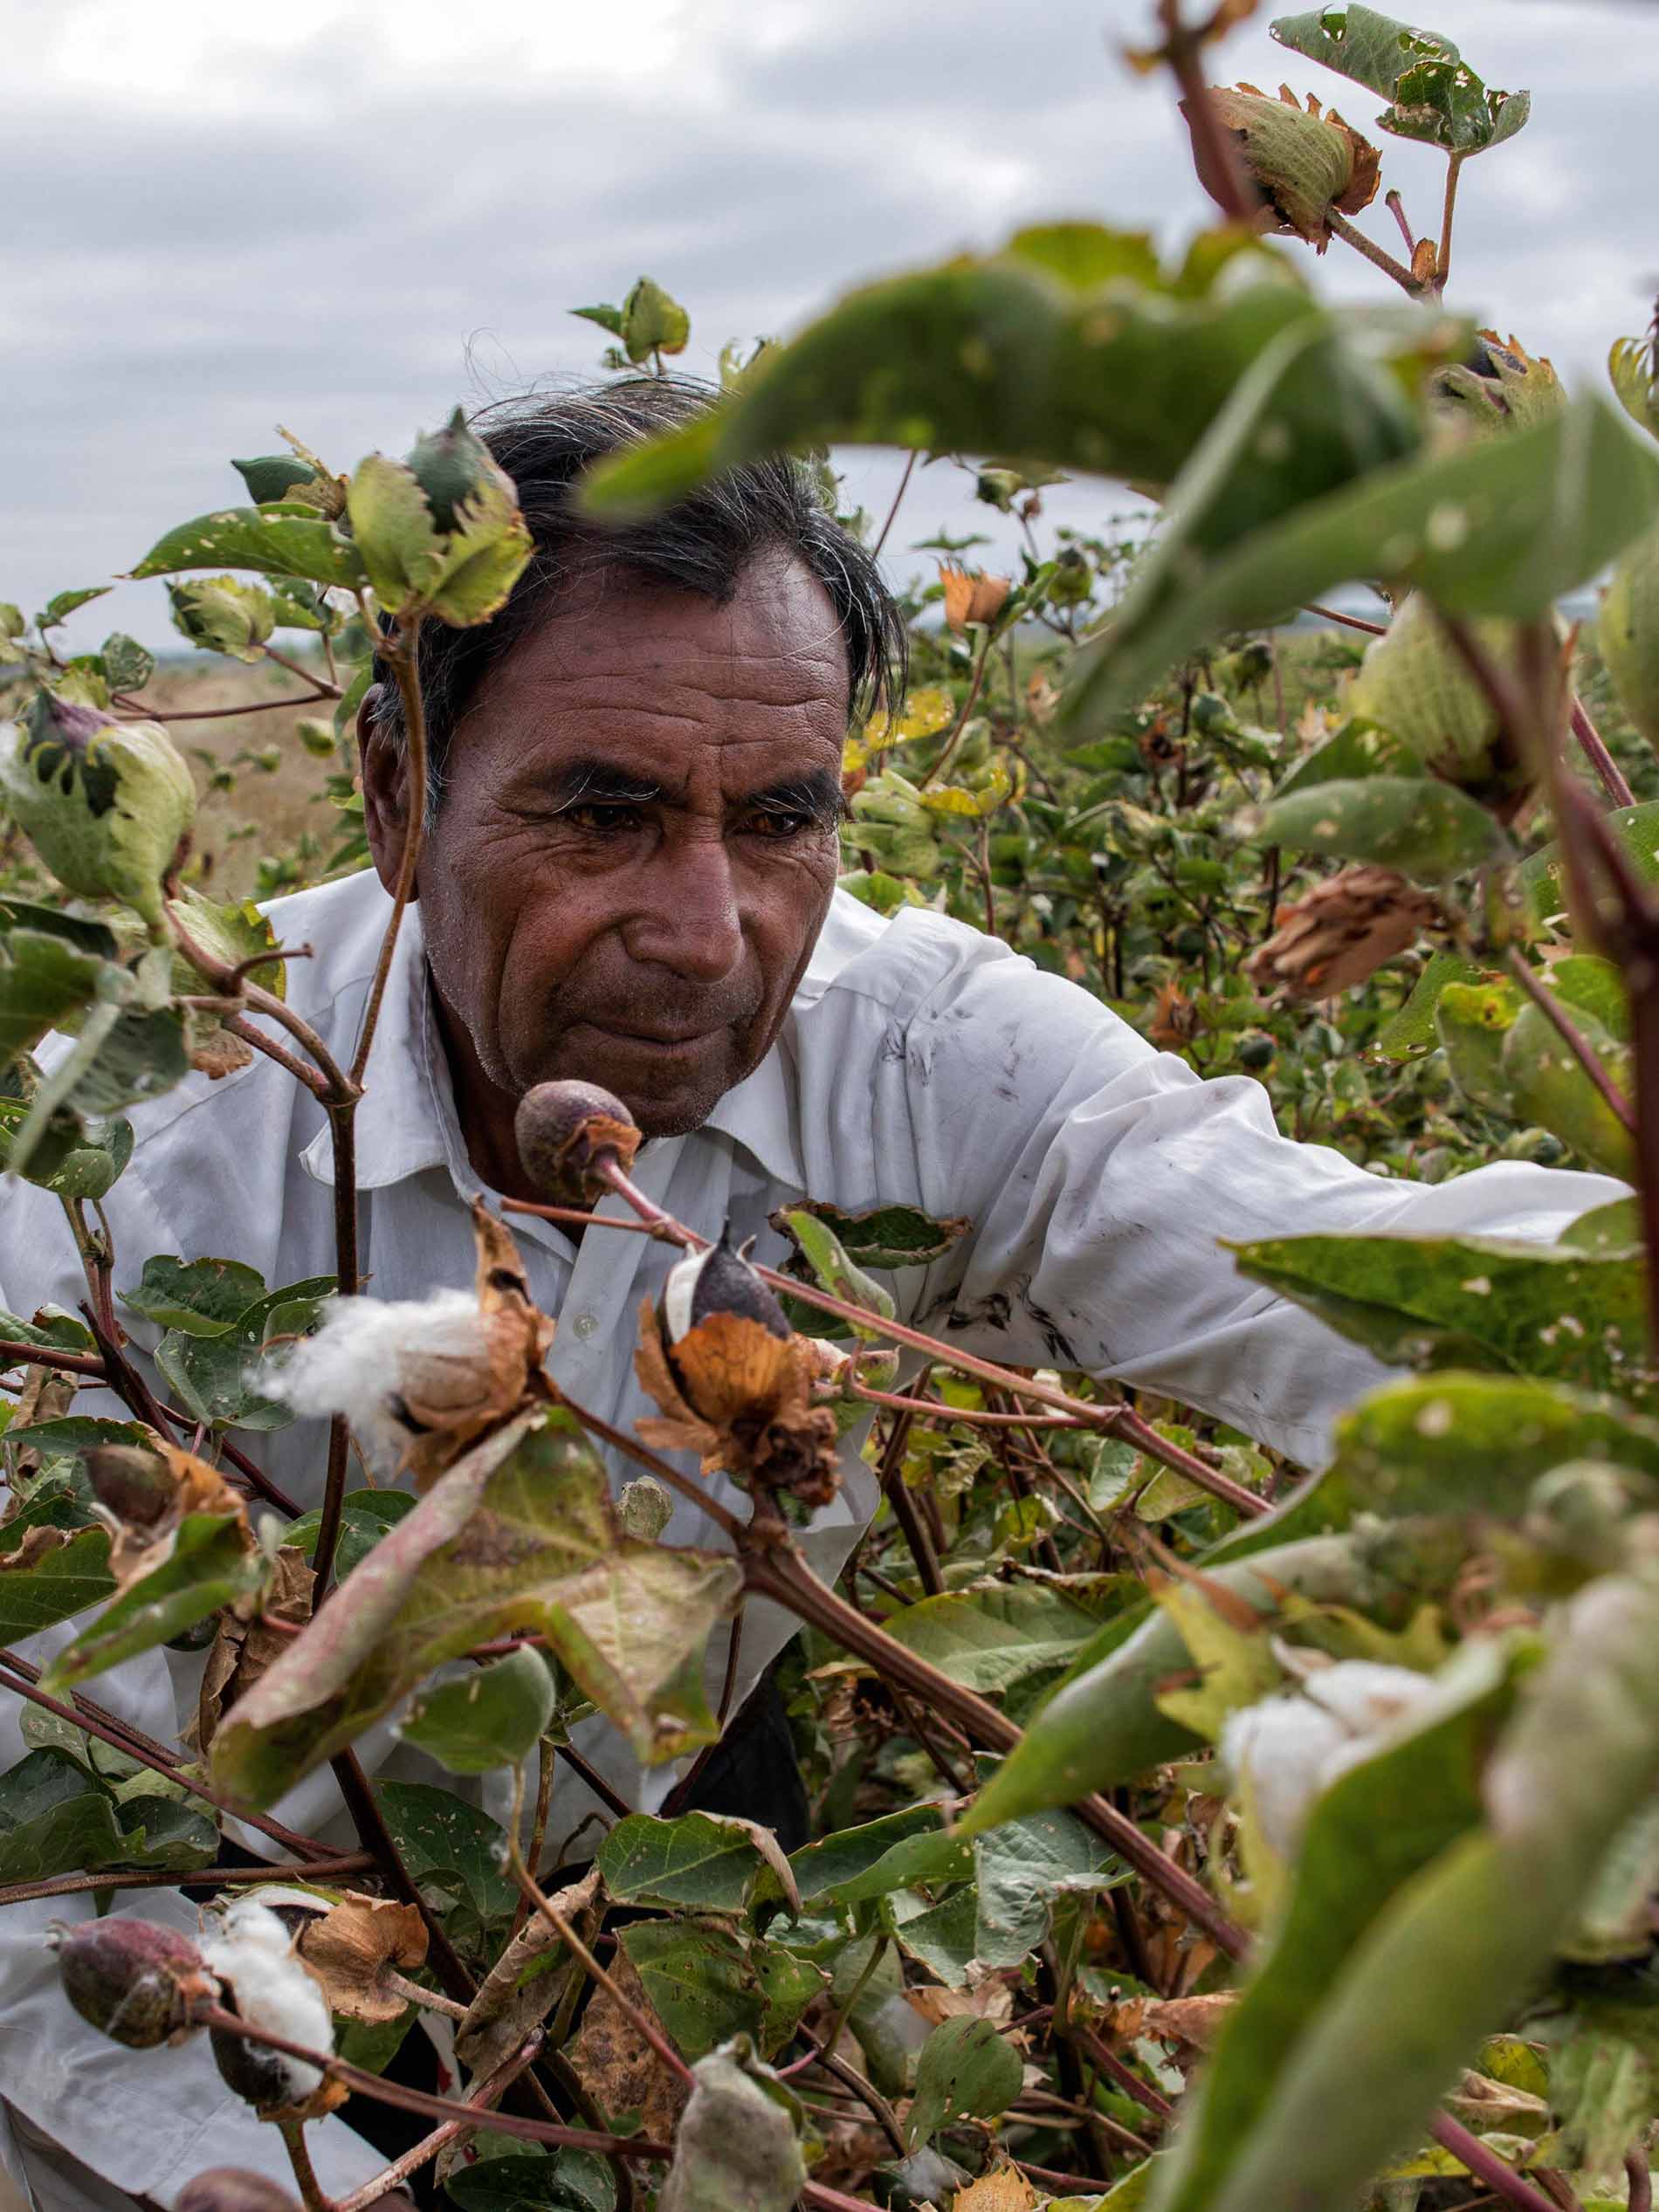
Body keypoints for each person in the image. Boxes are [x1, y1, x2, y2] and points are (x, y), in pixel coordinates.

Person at [0, 379, 1623, 2209]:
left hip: (658, 1868)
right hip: (201, 1958)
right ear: (396, 791)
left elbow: (1317, 1266)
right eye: (599, 815)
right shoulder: (121, 1181)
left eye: (778, 820)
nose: (705, 928)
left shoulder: (914, 1045)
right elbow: (28, 1877)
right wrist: (237, 2176)